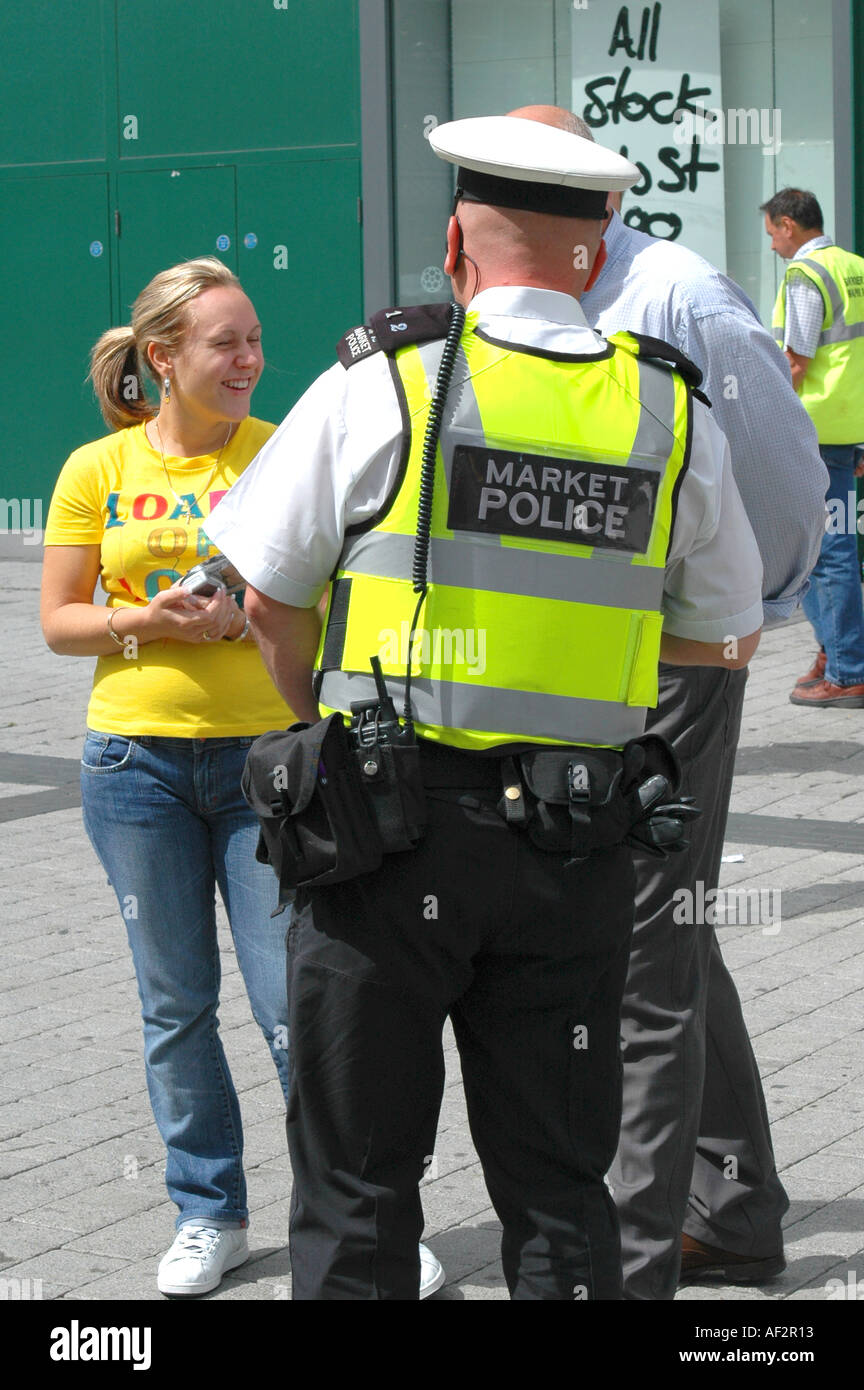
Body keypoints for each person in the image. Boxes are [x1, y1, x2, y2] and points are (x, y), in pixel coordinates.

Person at [206, 114, 764, 1300]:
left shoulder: (385, 379)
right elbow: (723, 628)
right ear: (597, 250)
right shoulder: (668, 412)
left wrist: (324, 713)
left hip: (382, 838)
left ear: (457, 245)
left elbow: (264, 594)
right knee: (562, 1195)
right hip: (573, 847)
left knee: (358, 1194)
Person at [511, 110, 825, 1299]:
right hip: (561, 665)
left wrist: (732, 621)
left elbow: (789, 484)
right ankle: (736, 1212)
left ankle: (630, 1267)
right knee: (669, 926)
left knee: (641, 939)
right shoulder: (516, 298)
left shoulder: (677, 295)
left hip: (672, 660)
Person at [40, 258, 297, 1298]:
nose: (249, 361)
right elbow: (58, 621)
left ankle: (357, 1214)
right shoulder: (94, 468)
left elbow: (318, 595)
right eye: (226, 343)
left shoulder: (279, 454)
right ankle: (208, 1211)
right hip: (133, 766)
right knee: (177, 1004)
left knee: (296, 1001)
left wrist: (251, 617)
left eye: (253, 339)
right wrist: (144, 619)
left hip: (265, 767)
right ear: (164, 357)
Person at [762, 187, 864, 708]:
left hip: (816, 431)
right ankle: (834, 653)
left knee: (828, 553)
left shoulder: (806, 275)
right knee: (830, 549)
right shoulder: (855, 267)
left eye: (774, 237)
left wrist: (771, 420)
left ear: (787, 224)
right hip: (847, 429)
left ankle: (848, 671)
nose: (775, 248)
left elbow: (796, 362)